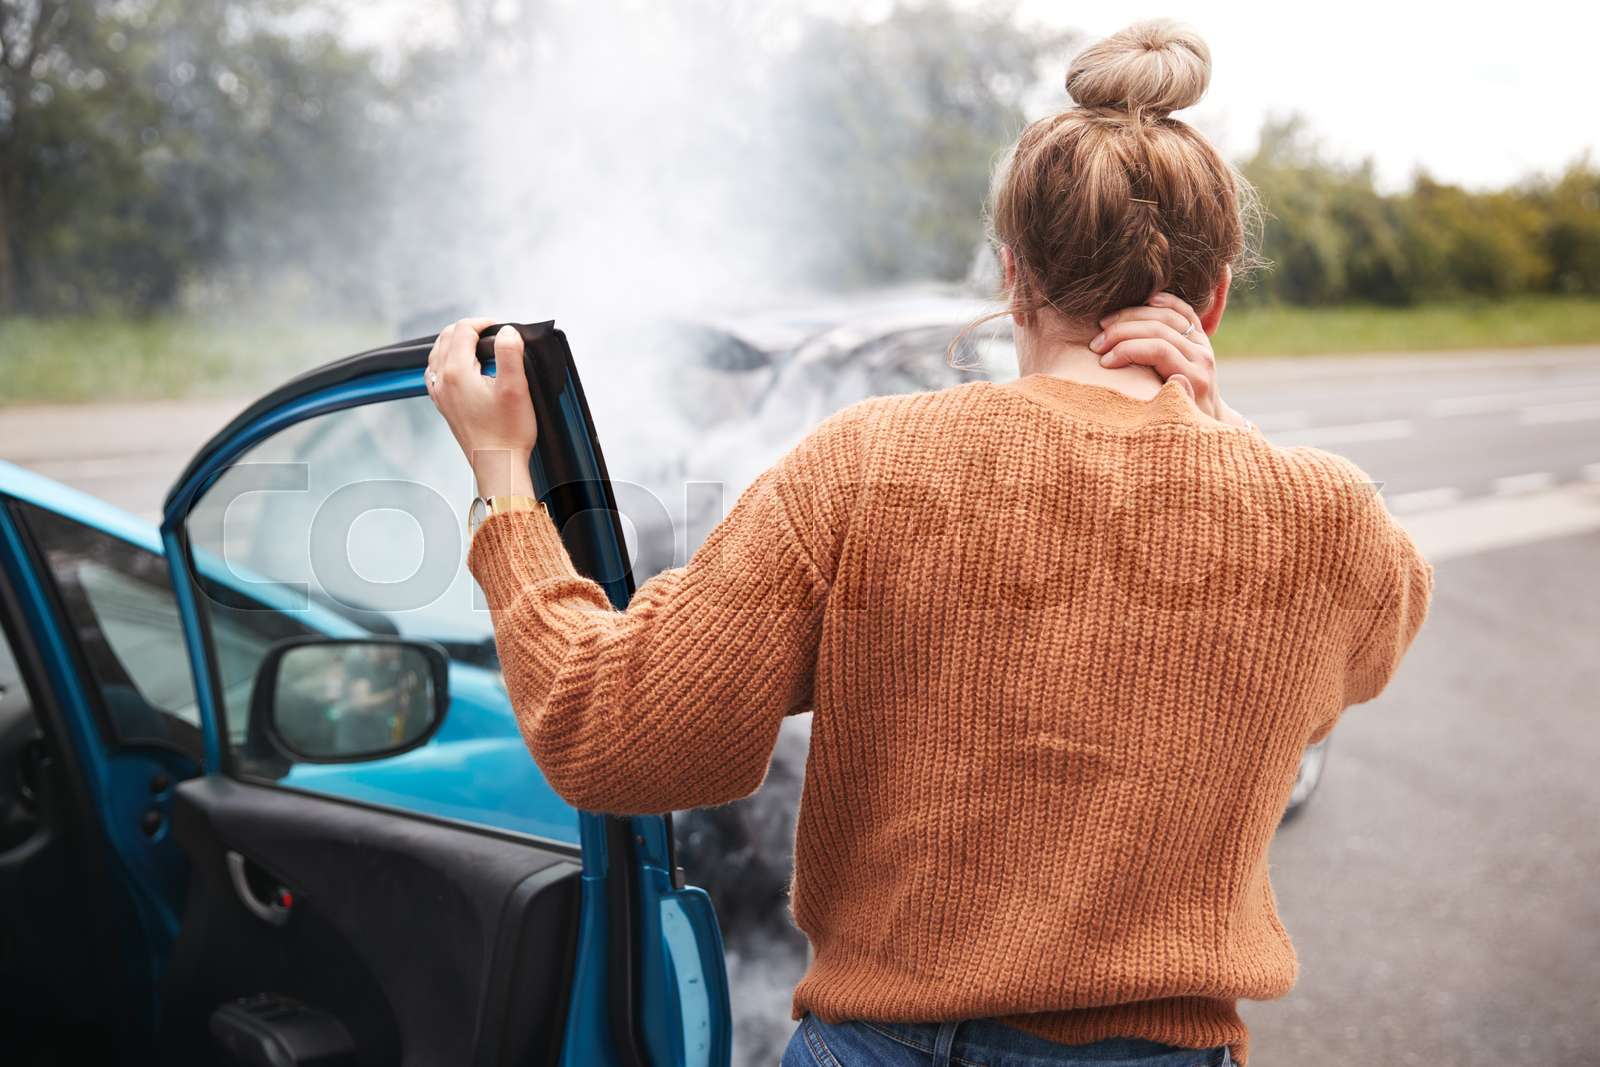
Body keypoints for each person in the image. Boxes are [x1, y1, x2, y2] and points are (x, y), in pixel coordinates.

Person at [426, 19, 1432, 1067]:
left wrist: (506, 488)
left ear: (1012, 277)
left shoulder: (864, 462)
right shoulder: (1323, 514)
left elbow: (612, 732)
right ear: (1213, 295)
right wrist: (1218, 432)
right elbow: (1376, 635)